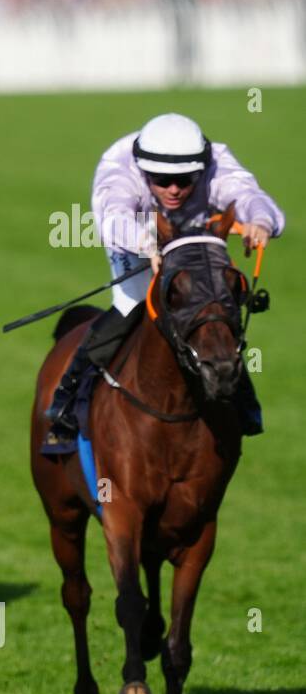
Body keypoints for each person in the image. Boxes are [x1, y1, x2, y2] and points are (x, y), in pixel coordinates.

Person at [43, 113, 283, 452]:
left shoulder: (217, 162)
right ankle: (65, 408)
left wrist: (260, 219)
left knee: (213, 312)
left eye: (185, 180)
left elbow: (248, 196)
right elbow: (113, 219)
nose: (173, 189)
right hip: (137, 237)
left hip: (193, 241)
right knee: (132, 307)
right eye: (161, 180)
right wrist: (145, 243)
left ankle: (242, 400)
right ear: (143, 171)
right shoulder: (118, 168)